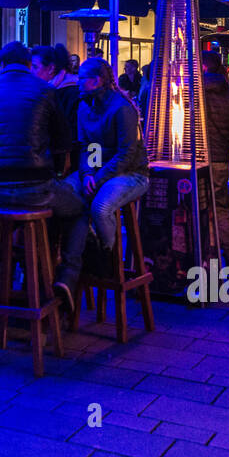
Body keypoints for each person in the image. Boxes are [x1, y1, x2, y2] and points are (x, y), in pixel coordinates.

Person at [0, 41, 87, 312]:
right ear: (28, 64)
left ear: (1, 64)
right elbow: (64, 141)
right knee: (81, 210)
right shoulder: (46, 90)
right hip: (37, 189)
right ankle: (66, 278)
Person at [62, 57, 148, 302]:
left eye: (82, 79)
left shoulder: (122, 108)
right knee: (66, 194)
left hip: (132, 173)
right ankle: (86, 249)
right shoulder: (84, 107)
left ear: (97, 80)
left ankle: (106, 258)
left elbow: (126, 153)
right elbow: (87, 146)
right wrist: (88, 173)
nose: (78, 83)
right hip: (99, 170)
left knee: (100, 207)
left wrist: (97, 178)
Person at [201, 51, 229, 268]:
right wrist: (227, 147)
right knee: (221, 208)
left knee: (199, 207)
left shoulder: (196, 94)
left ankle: (207, 256)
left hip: (198, 160)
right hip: (220, 159)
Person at [31, 44, 80, 150]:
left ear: (51, 69)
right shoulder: (48, 91)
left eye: (35, 67)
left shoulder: (70, 92)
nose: (30, 71)